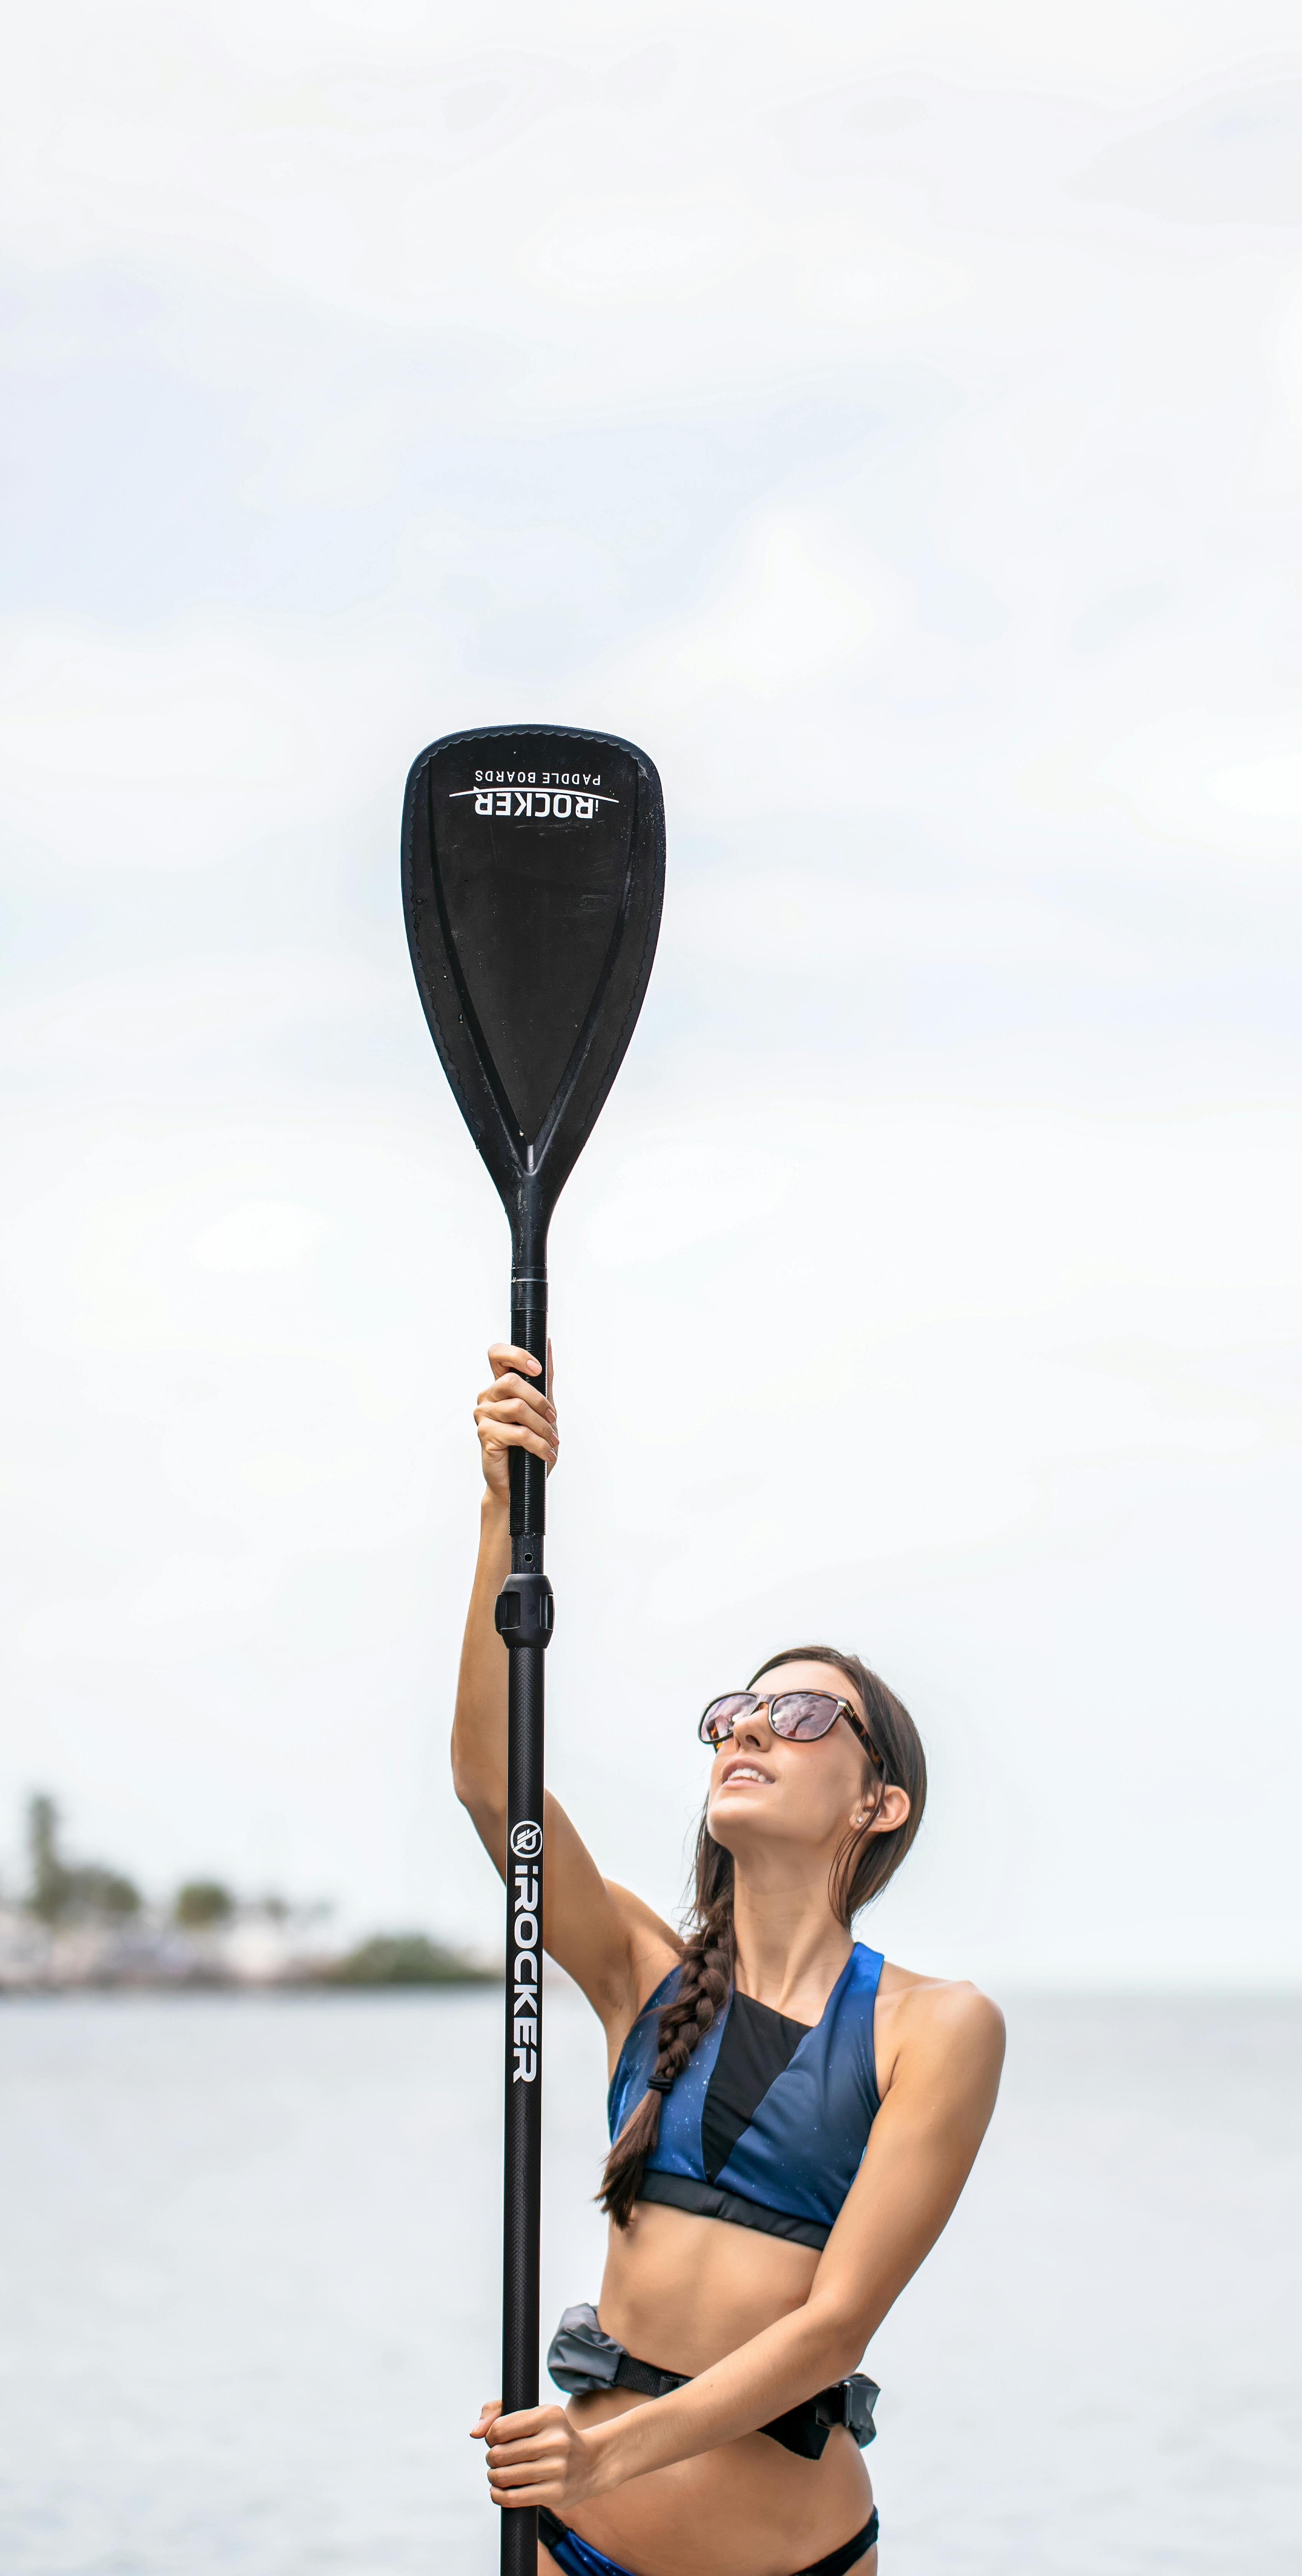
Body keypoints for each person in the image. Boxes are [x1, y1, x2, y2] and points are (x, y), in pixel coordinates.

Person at [455, 1342, 1005, 2576]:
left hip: (787, 2557)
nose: (752, 1725)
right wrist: (505, 1515)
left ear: (881, 1805)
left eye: (804, 1715)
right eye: (735, 1715)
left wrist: (614, 2450)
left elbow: (833, 2327)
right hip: (575, 2542)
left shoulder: (935, 2027)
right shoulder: (642, 1971)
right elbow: (495, 1789)